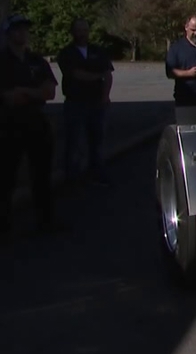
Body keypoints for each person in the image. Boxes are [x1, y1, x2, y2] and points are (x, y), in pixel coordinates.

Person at [0, 14, 60, 239]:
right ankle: (4, 225)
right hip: (9, 123)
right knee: (7, 175)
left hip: (36, 121)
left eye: (25, 29)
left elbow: (50, 92)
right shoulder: (3, 61)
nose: (22, 34)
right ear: (8, 34)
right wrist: (32, 93)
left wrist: (25, 92)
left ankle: (46, 220)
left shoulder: (37, 61)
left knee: (42, 173)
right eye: (17, 30)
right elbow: (8, 97)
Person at [56, 18, 114, 189]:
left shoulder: (98, 51)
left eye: (85, 30)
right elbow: (76, 74)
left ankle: (97, 173)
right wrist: (97, 76)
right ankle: (72, 178)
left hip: (97, 103)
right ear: (73, 32)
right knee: (74, 142)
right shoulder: (66, 53)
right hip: (75, 103)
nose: (82, 33)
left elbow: (108, 74)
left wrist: (105, 96)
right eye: (79, 30)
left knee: (96, 141)